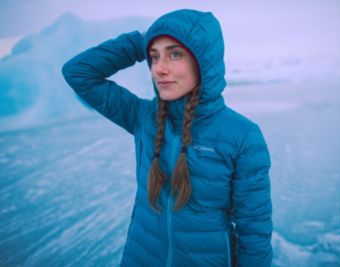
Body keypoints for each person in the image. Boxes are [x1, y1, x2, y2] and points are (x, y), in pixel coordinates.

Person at [62, 9, 273, 267]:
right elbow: (78, 73)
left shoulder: (242, 136)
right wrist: (141, 42)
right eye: (154, 57)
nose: (159, 69)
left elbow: (254, 233)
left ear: (203, 59)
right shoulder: (142, 116)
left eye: (174, 54)